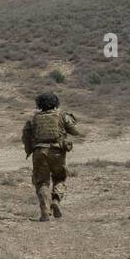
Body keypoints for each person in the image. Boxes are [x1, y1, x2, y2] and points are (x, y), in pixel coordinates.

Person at [21, 92, 83, 222]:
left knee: (41, 182)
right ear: (55, 103)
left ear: (39, 104)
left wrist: (29, 150)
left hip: (39, 152)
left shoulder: (33, 119)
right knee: (60, 177)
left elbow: (26, 137)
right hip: (57, 152)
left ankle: (45, 211)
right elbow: (76, 131)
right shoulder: (62, 116)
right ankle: (56, 200)